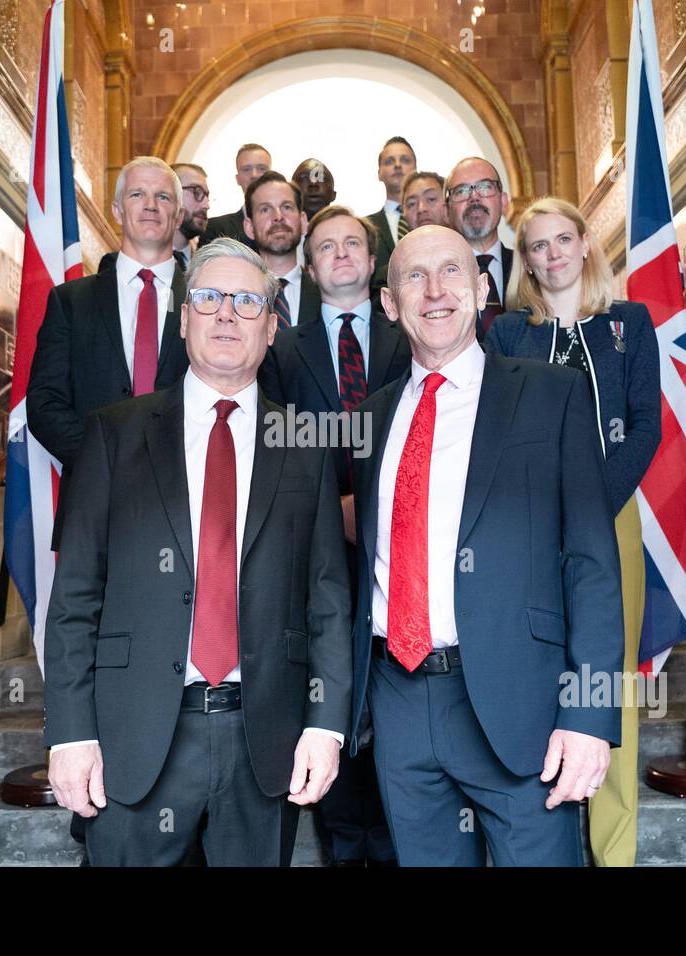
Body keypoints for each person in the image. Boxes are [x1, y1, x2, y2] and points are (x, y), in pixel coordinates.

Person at [43, 238, 353, 866]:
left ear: (271, 328)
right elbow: (75, 596)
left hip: (264, 738)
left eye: (246, 302)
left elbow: (327, 602)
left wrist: (325, 725)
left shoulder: (305, 445)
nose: (226, 315)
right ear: (183, 320)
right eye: (208, 298)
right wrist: (71, 732)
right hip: (135, 734)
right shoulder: (113, 434)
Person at [349, 225, 625, 866]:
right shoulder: (368, 418)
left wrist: (589, 716)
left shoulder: (550, 393)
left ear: (481, 289)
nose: (435, 290)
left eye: (452, 271)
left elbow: (591, 565)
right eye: (414, 276)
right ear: (389, 304)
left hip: (521, 704)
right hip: (399, 700)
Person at [483, 197, 661, 867]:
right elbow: (493, 433)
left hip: (610, 521)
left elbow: (647, 425)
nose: (553, 253)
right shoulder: (507, 334)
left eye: (564, 239)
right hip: (525, 529)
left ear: (586, 244)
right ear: (523, 260)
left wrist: (588, 506)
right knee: (534, 673)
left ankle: (612, 854)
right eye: (537, 244)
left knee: (605, 682)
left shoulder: (629, 324)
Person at [258, 204, 412, 868]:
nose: (341, 253)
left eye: (354, 243)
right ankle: (342, 839)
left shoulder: (410, 334)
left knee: (393, 691)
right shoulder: (282, 346)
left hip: (404, 547)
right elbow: (269, 436)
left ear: (373, 262)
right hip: (314, 548)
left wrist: (373, 507)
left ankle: (400, 827)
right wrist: (337, 504)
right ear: (310, 267)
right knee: (329, 689)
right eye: (327, 246)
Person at [28, 155, 189, 550]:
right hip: (92, 505)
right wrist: (105, 459)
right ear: (118, 209)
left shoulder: (207, 301)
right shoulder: (72, 301)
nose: (150, 205)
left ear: (179, 213)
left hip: (185, 503)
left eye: (163, 197)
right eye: (138, 194)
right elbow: (44, 404)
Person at [445, 157, 512, 340]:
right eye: (461, 191)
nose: (474, 197)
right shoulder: (438, 280)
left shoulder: (529, 267)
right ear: (446, 211)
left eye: (485, 186)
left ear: (504, 201)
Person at [242, 171, 318, 328]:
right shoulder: (234, 293)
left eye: (287, 207)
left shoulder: (325, 291)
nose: (278, 216)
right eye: (265, 209)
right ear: (249, 227)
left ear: (303, 221)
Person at [365, 137, 417, 295]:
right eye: (389, 161)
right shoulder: (364, 226)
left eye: (405, 160)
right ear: (379, 173)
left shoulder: (434, 221)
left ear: (415, 169)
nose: (397, 165)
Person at [201, 143, 271, 250]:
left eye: (261, 168)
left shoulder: (290, 222)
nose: (254, 175)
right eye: (246, 169)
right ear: (237, 179)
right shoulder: (216, 229)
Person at [173, 162, 211, 269]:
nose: (206, 205)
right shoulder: (141, 259)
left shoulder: (208, 265)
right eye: (196, 192)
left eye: (206, 196)